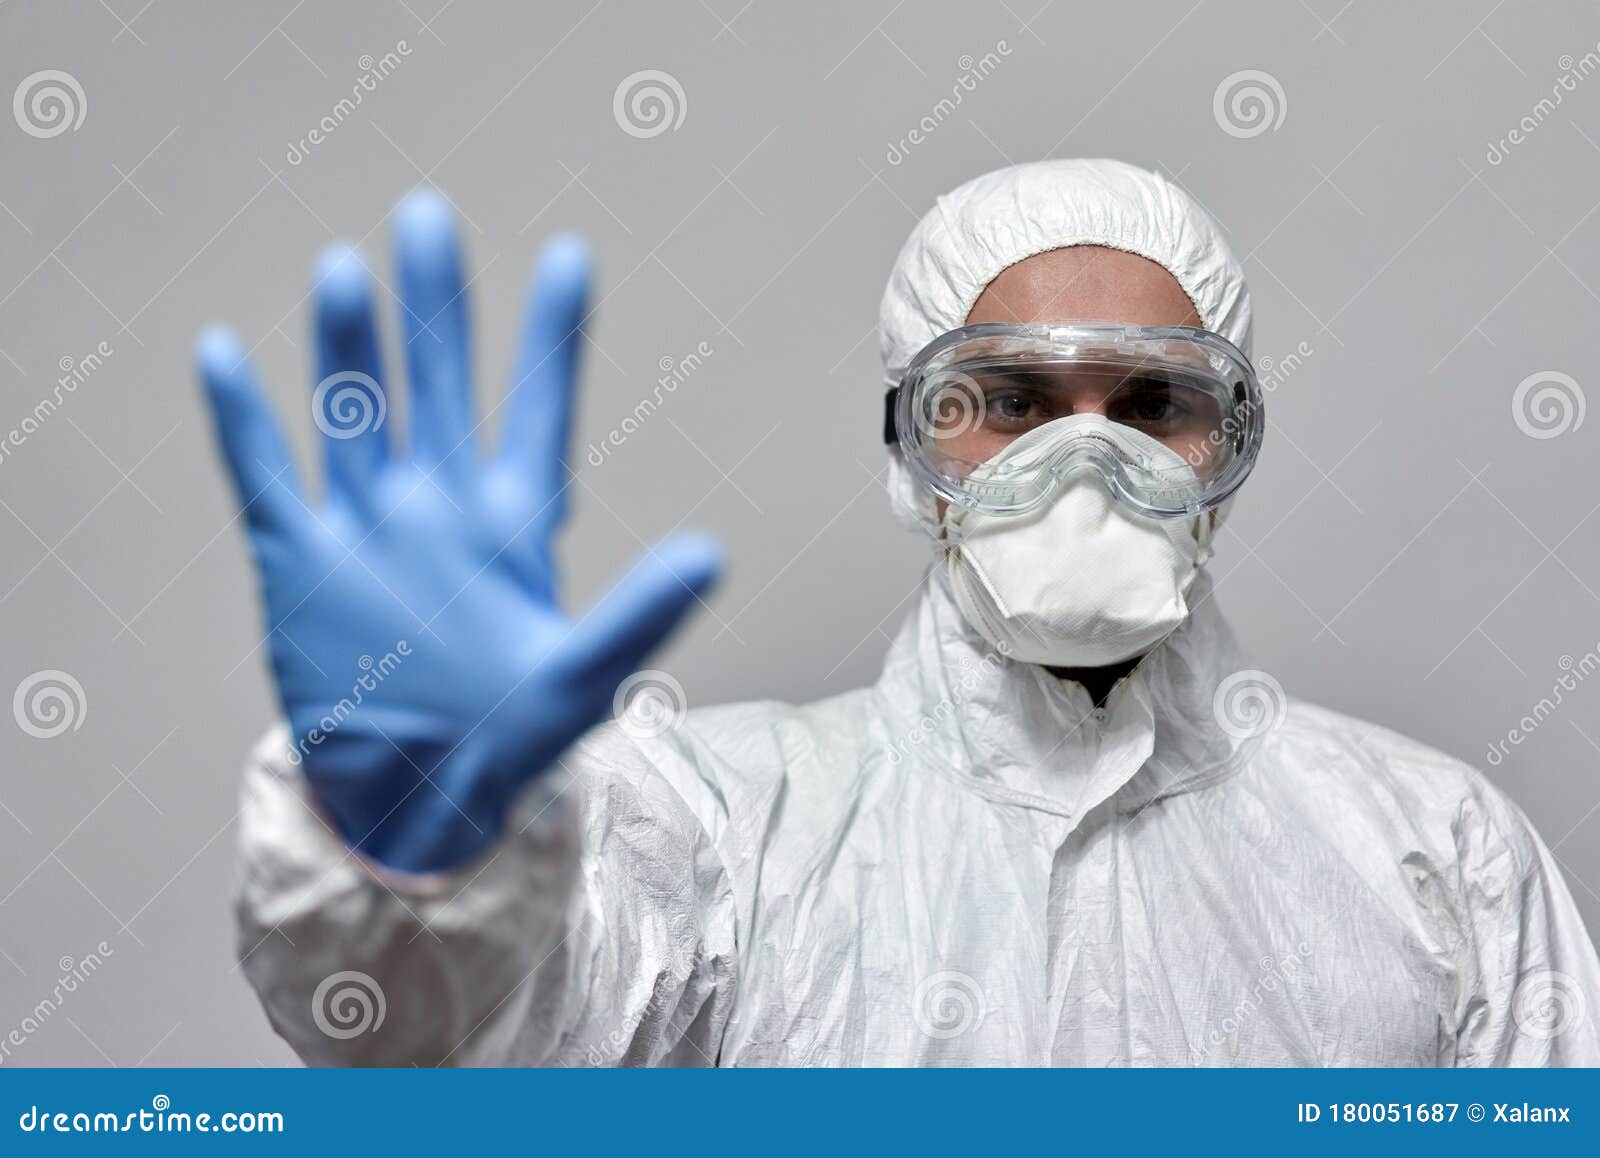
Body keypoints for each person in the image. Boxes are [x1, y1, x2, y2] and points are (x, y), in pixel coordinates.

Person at [199, 158, 1600, 1066]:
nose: (1087, 461)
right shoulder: (717, 825)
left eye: (1156, 405)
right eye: (1008, 405)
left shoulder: (1436, 858)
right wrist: (417, 854)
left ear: (1227, 456)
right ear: (913, 451)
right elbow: (470, 1033)